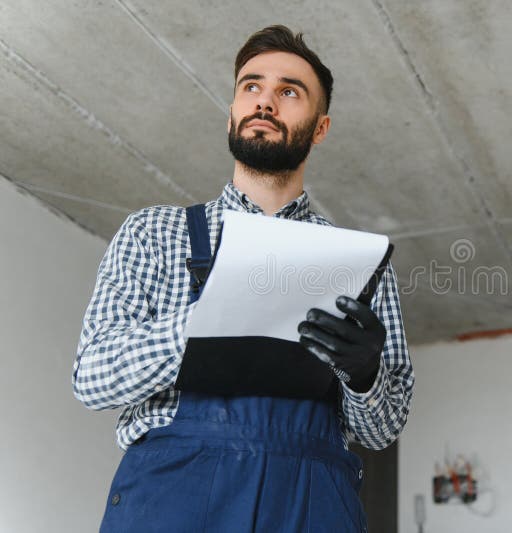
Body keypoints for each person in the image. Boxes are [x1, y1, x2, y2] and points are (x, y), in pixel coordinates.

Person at [72, 25, 414, 532]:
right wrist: (203, 324)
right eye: (250, 87)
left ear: (320, 128)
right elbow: (91, 378)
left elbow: (383, 428)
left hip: (312, 504)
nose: (265, 102)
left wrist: (364, 375)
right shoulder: (153, 233)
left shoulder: (355, 264)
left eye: (288, 92)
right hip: (175, 502)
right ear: (232, 110)